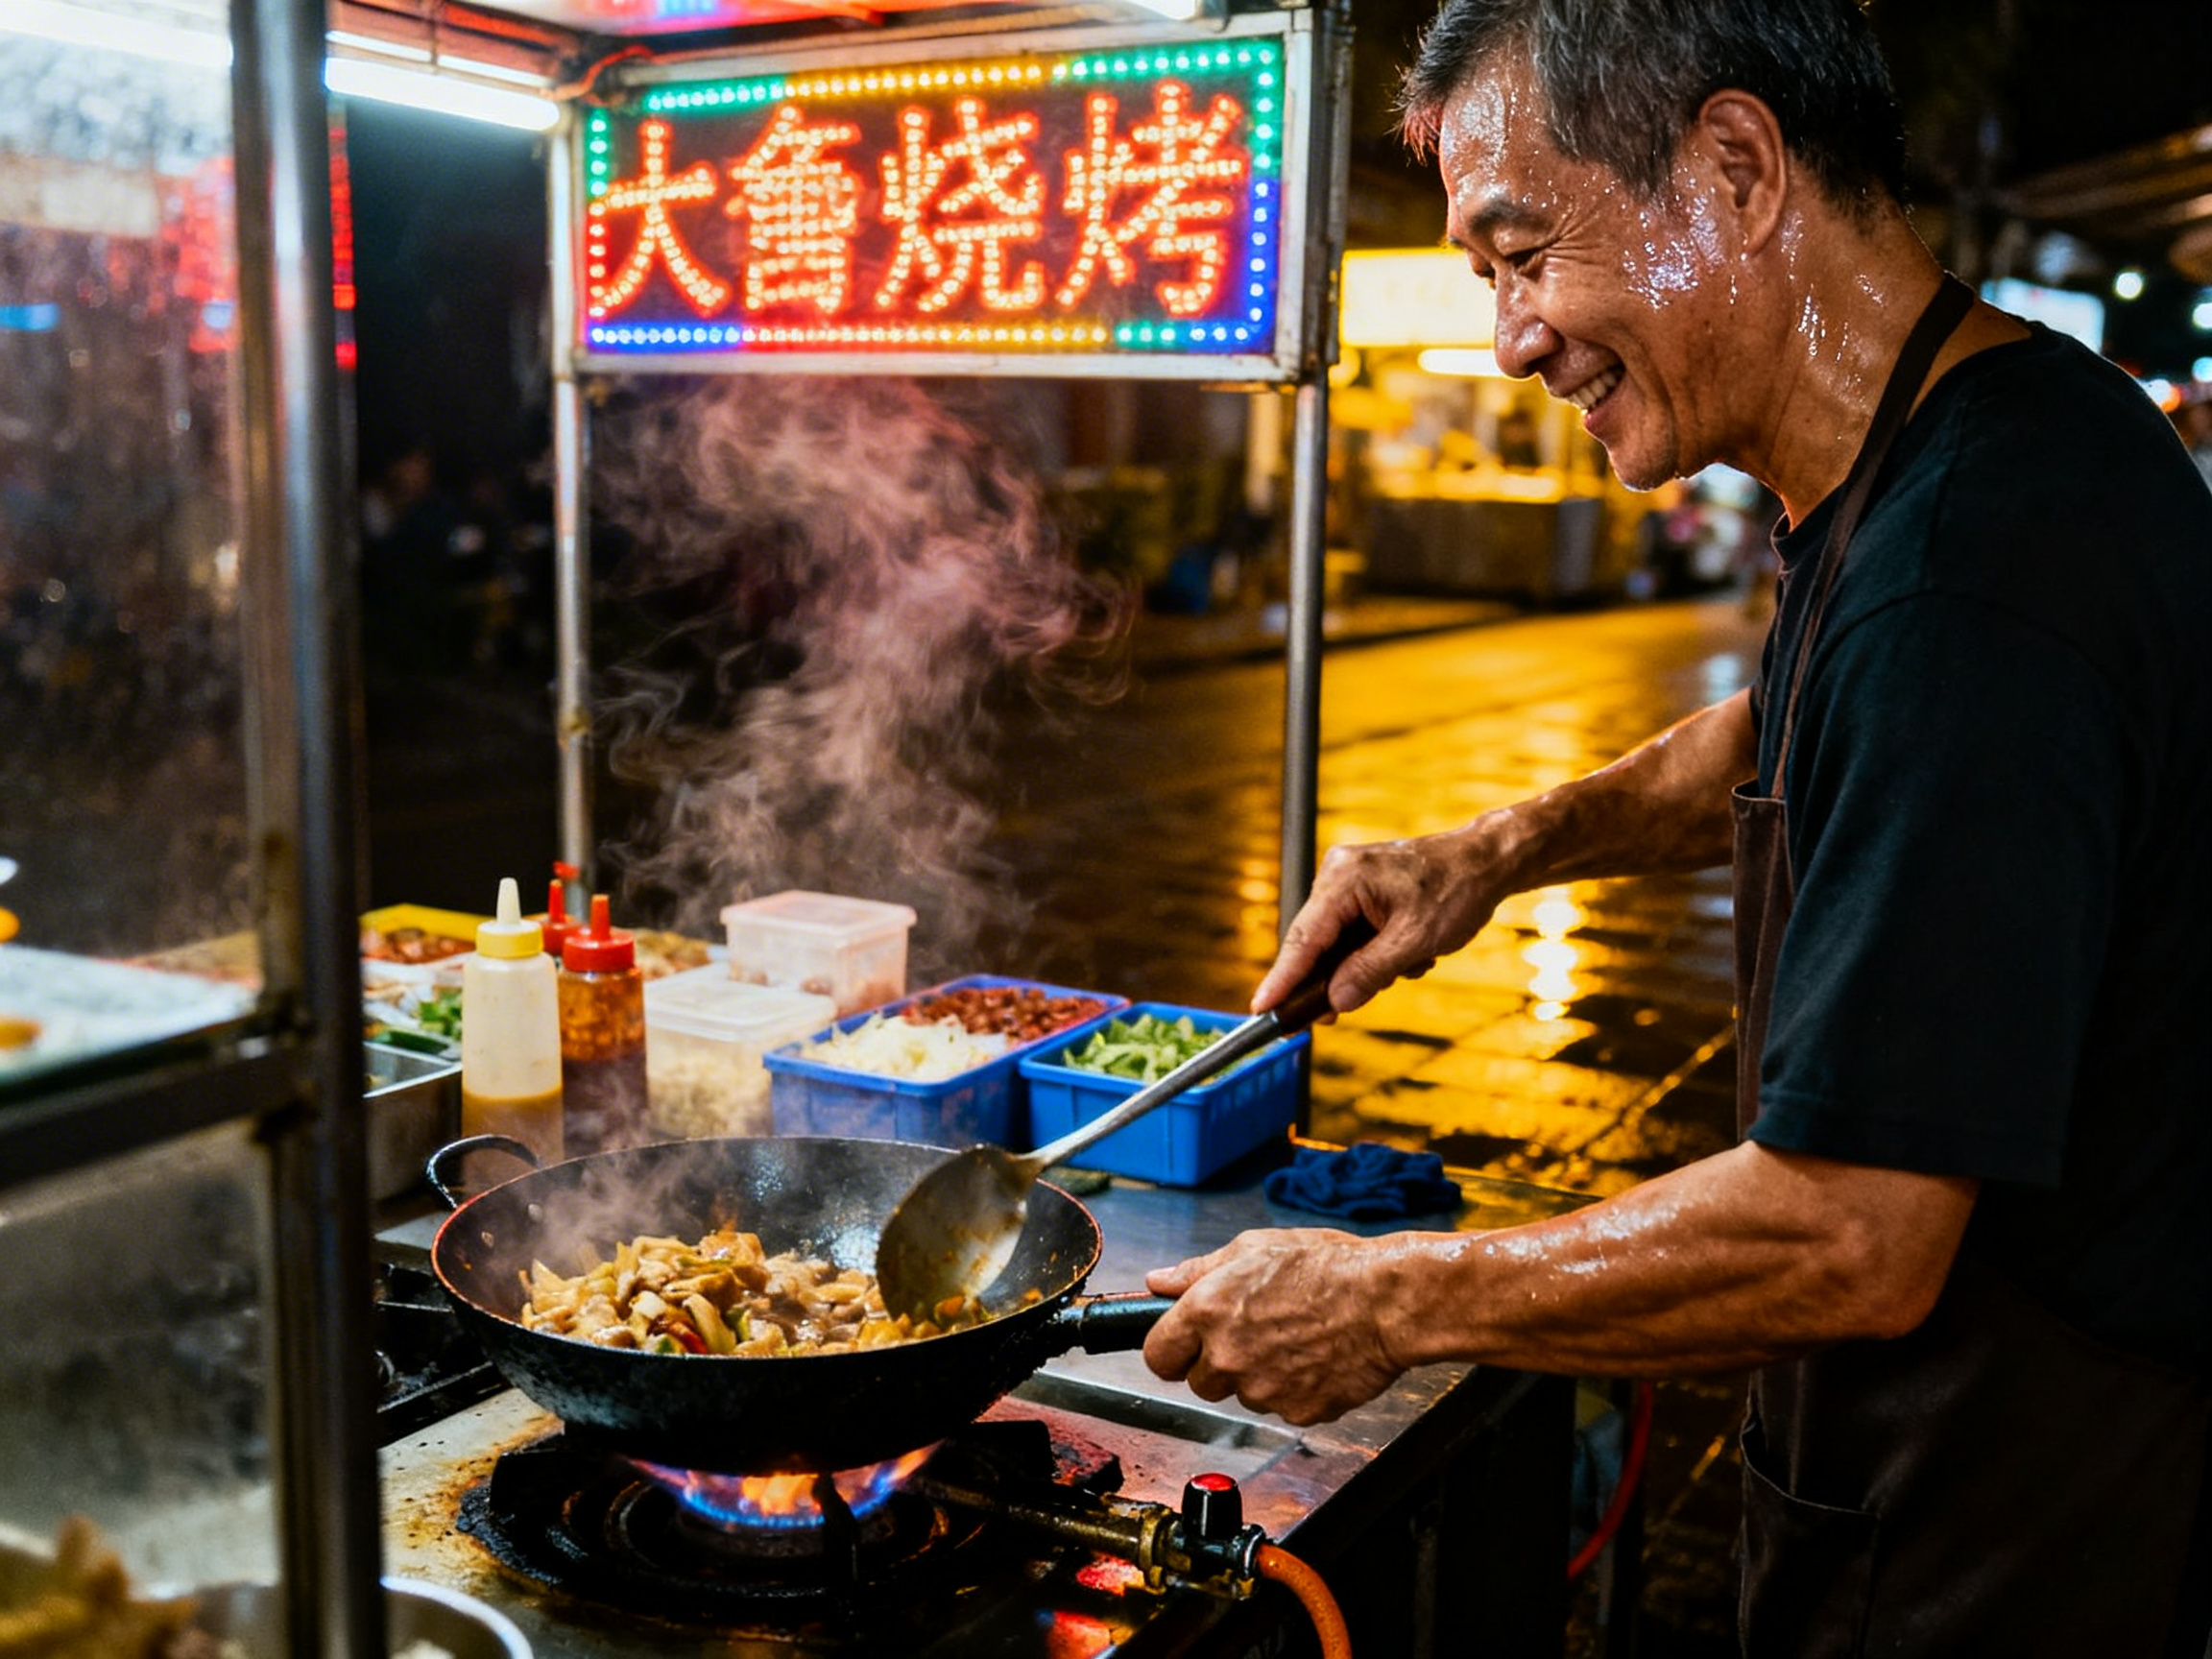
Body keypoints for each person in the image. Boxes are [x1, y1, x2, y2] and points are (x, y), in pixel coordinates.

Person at [1136, 2, 2212, 1652]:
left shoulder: (1982, 567)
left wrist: (1389, 1300)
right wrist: (1494, 851)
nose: (1507, 335)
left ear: (1735, 167)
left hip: (2016, 1527)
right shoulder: (1982, 433)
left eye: (1520, 254)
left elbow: (1853, 1231)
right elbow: (1794, 721)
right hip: (1919, 1462)